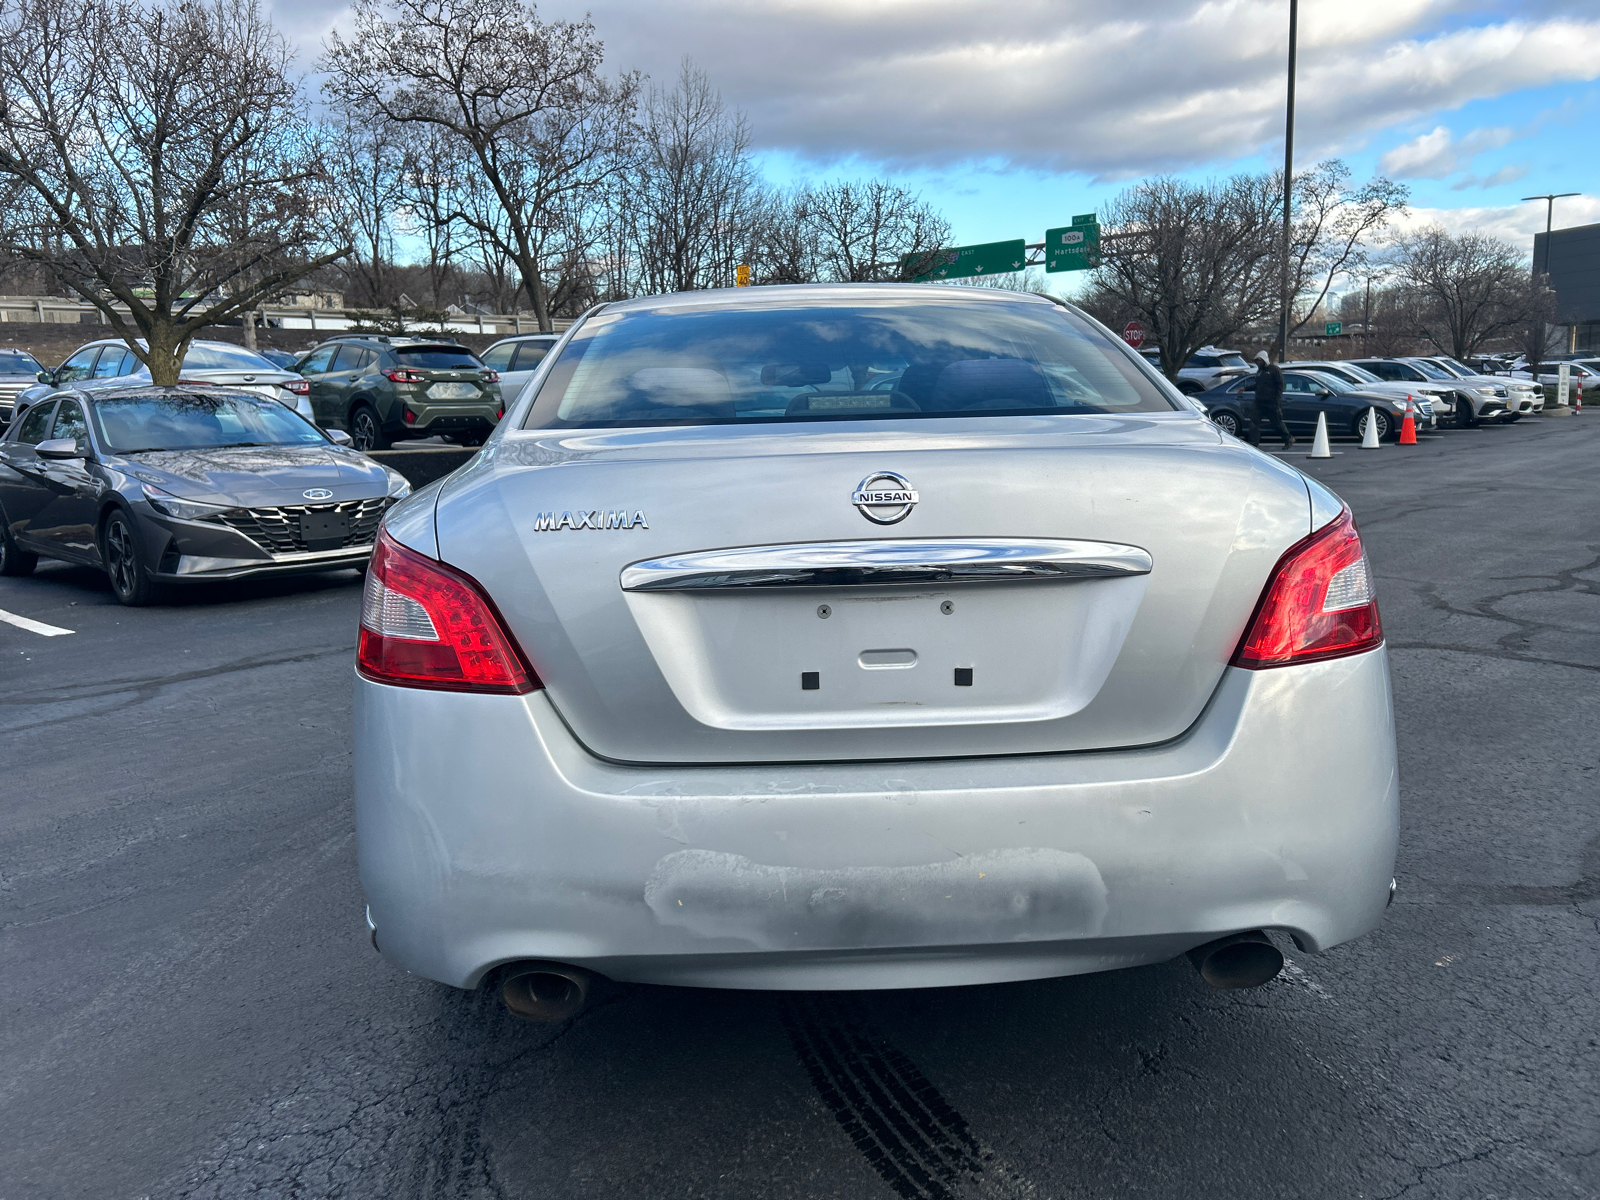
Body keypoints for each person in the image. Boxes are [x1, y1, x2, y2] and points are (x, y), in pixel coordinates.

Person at [1249, 350, 1294, 450]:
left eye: (1259, 361)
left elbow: (1280, 385)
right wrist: (1246, 388)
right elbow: (1258, 385)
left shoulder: (1274, 370)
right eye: (1256, 361)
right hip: (1259, 402)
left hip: (1271, 403)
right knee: (1254, 422)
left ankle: (1288, 439)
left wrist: (1276, 399)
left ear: (1264, 360)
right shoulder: (1259, 372)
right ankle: (1253, 443)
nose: (1257, 363)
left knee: (1277, 423)